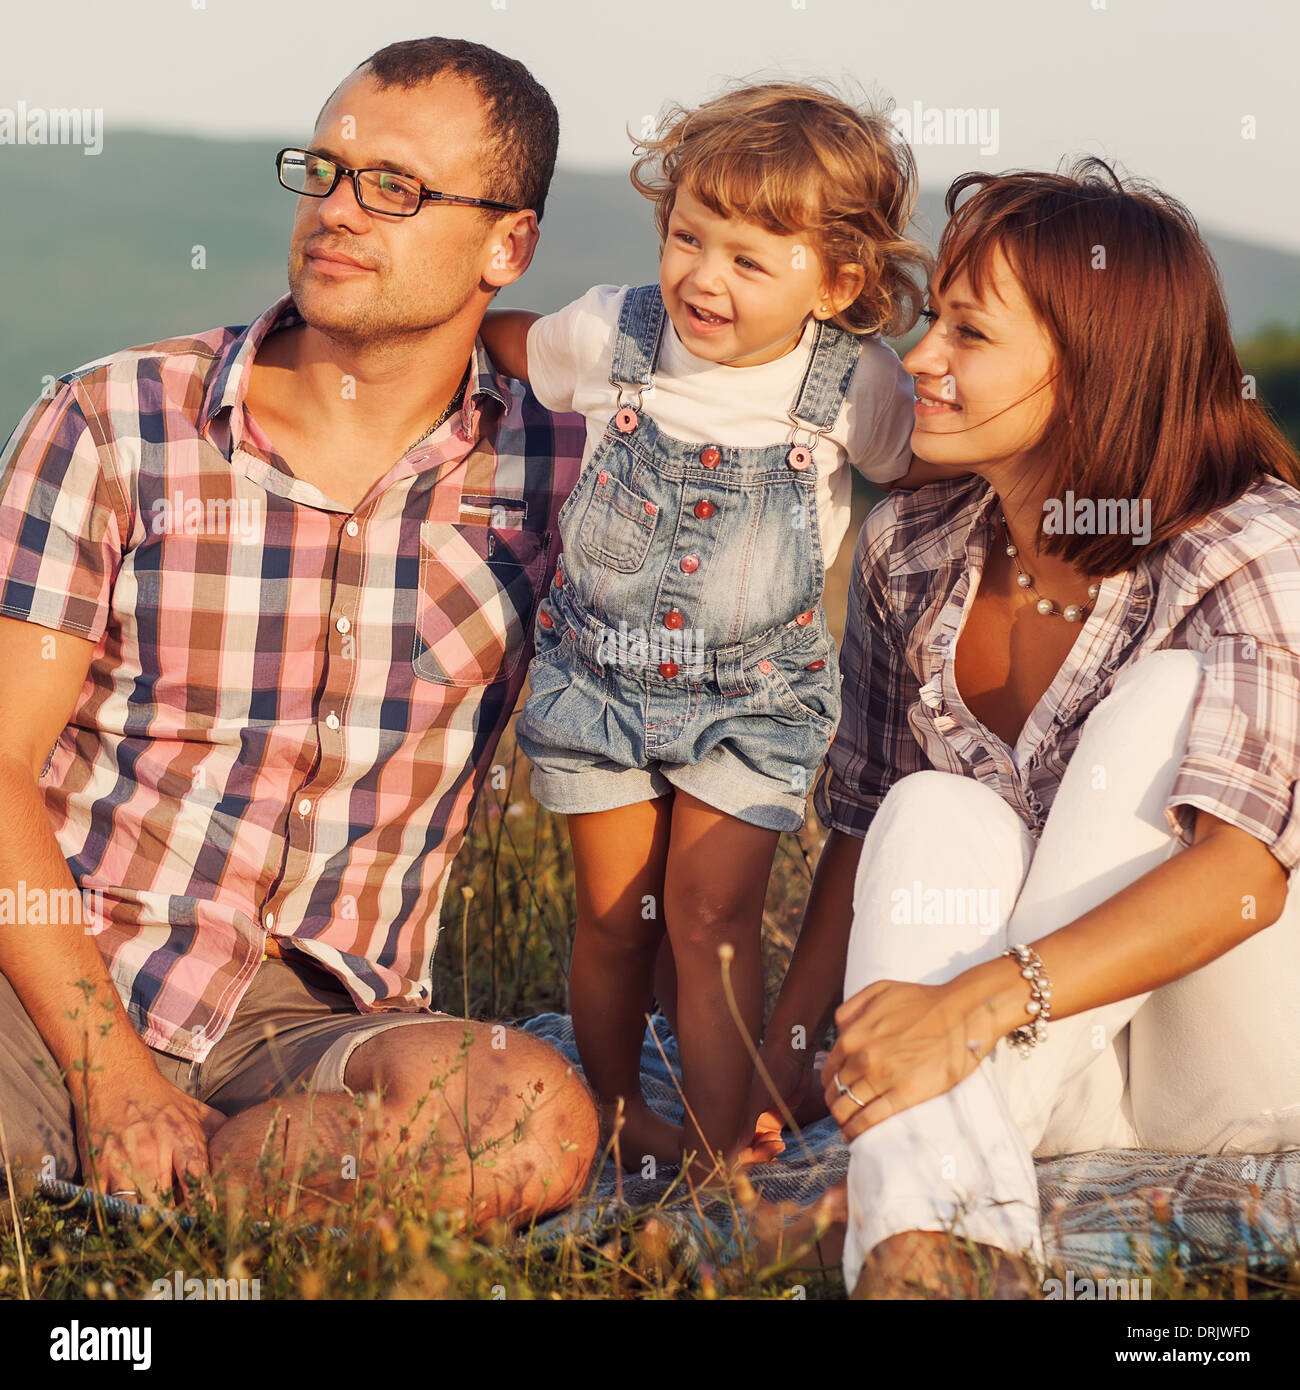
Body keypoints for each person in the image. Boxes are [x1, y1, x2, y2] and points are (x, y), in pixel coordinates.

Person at [0, 36, 598, 1230]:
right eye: (322, 171)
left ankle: (189, 1184)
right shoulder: (119, 422)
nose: (336, 211)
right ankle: (111, 1162)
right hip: (57, 975)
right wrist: (111, 1067)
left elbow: (745, 367)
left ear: (507, 244)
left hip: (318, 1029)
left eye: (395, 187)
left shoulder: (561, 465)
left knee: (531, 1117)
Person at [767, 158, 1300, 1296]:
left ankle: (912, 1198)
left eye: (969, 335)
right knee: (928, 803)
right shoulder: (914, 547)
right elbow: (863, 836)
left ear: (1093, 367)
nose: (919, 361)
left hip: (1237, 1075)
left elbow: (1242, 877)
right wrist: (784, 1069)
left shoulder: (1250, 548)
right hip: (1059, 1090)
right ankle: (938, 1247)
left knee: (1158, 695)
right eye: (929, 324)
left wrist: (966, 1008)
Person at [478, 81, 947, 1178]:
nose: (702, 276)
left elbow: (925, 465)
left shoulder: (853, 387)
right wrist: (435, 321)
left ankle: (720, 1144)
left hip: (752, 699)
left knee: (709, 915)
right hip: (595, 683)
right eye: (689, 237)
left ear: (835, 282)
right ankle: (605, 1115)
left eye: (750, 258)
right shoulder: (612, 332)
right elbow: (509, 344)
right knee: (615, 924)